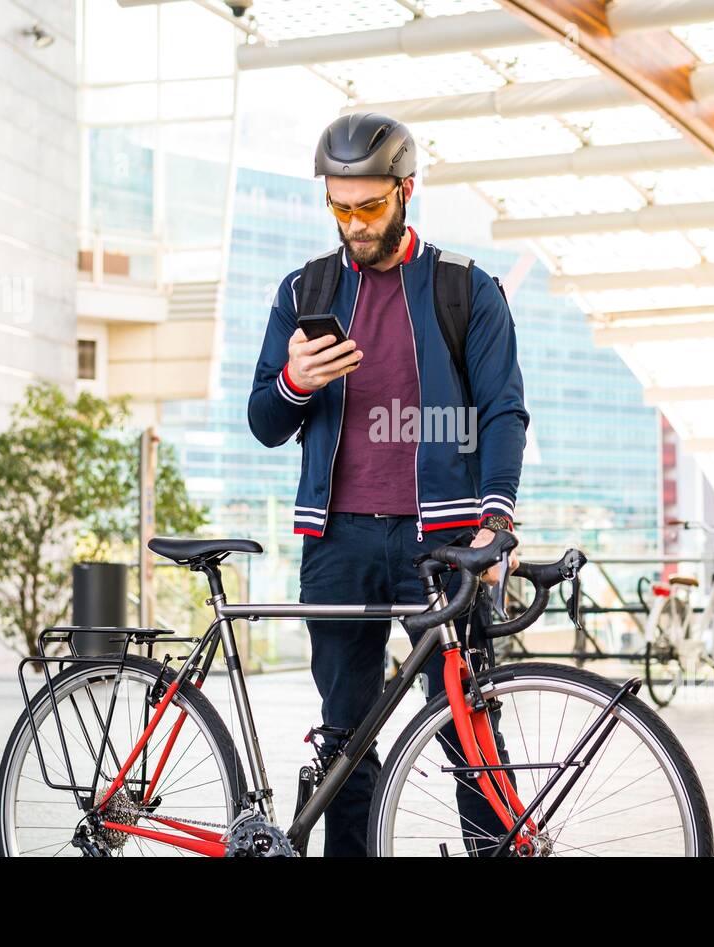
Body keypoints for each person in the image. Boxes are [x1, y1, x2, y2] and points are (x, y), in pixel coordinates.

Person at [247, 111, 530, 856]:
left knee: (468, 725)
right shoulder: (302, 291)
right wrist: (293, 382)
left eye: (368, 205)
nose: (353, 222)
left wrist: (496, 518)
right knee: (347, 739)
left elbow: (503, 411)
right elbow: (265, 421)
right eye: (339, 205)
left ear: (407, 190)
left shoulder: (465, 289)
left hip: (440, 539)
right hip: (336, 539)